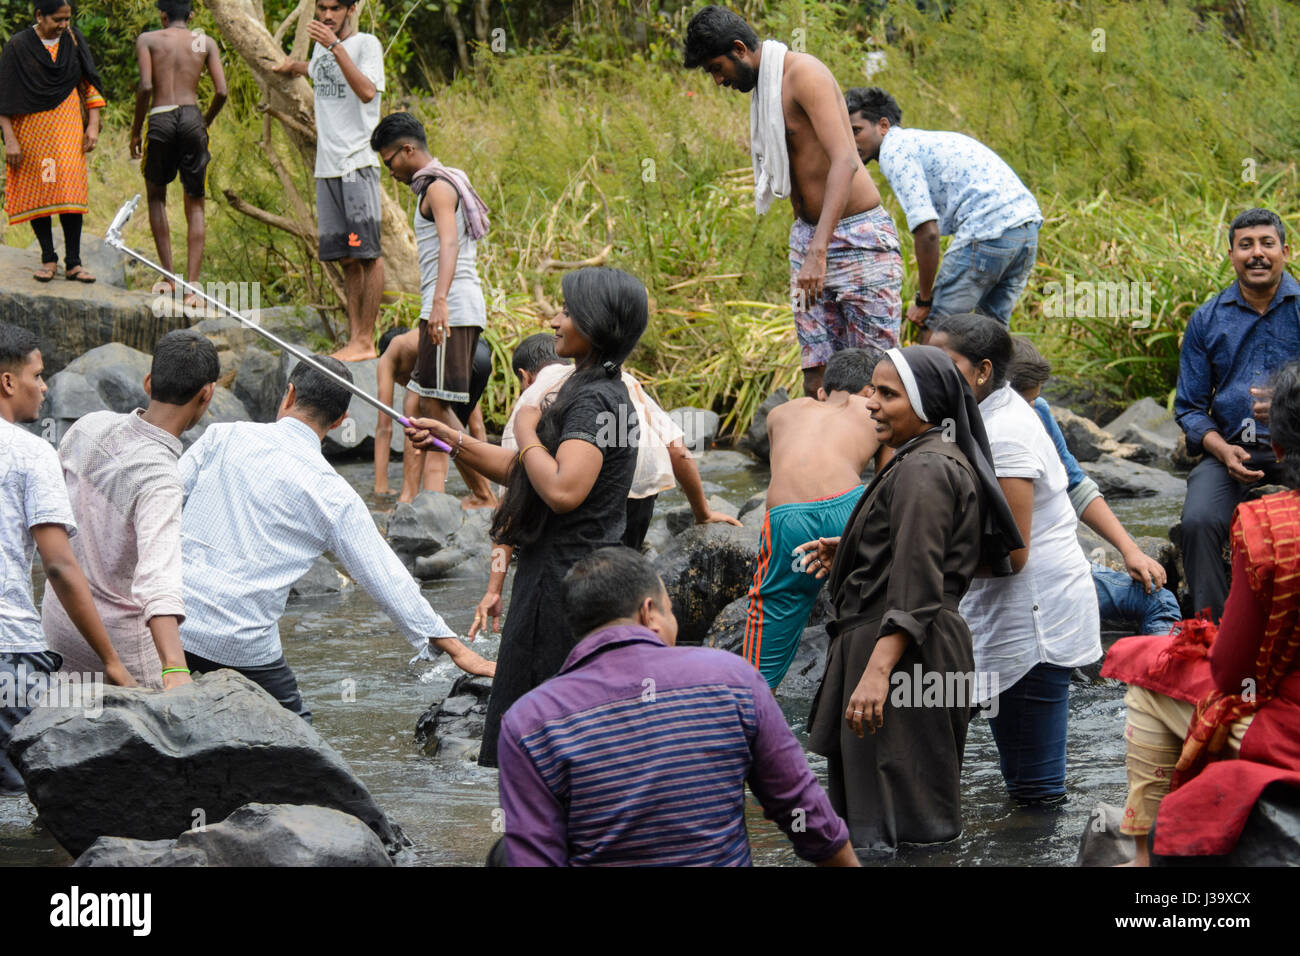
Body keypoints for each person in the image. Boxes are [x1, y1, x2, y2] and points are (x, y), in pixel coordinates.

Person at [406, 267, 648, 767]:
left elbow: (561, 489)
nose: (555, 321)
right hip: (574, 577)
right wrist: (454, 441)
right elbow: (527, 471)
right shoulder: (600, 388)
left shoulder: (595, 399)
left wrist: (525, 426)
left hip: (562, 585)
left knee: (542, 734)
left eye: (568, 312)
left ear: (597, 323)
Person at [177, 356, 494, 723]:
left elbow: (159, 500)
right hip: (242, 644)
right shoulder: (334, 494)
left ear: (289, 394)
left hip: (169, 622)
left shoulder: (222, 436)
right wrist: (455, 647)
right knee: (298, 737)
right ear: (341, 420)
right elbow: (384, 575)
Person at [496, 546, 858, 866]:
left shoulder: (529, 721)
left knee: (502, 853)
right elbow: (803, 813)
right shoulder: (733, 679)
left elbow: (533, 857)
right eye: (670, 610)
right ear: (649, 612)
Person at [795, 345, 1023, 854]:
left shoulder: (925, 468)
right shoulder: (928, 457)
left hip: (902, 656)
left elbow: (919, 581)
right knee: (901, 815)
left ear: (927, 404)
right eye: (872, 391)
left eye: (888, 394)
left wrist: (877, 673)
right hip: (910, 650)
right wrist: (858, 547)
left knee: (898, 832)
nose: (871, 403)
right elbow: (926, 551)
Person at [1102, 360, 1300, 865]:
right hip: (1221, 461)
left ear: (1278, 447)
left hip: (1290, 730)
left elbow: (1232, 673)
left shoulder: (1271, 526)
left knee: (1144, 667)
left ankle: (1143, 855)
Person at [927, 313, 1101, 805]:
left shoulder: (1005, 432)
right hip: (1008, 611)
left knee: (1036, 792)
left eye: (947, 364)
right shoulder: (979, 415)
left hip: (1032, 620)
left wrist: (916, 566)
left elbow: (1012, 552)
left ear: (983, 371)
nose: (933, 374)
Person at [684, 6, 902, 398]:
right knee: (817, 373)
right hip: (807, 239)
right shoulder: (766, 89)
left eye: (717, 68)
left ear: (739, 49)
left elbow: (846, 160)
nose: (718, 81)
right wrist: (811, 248)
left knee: (876, 378)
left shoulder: (804, 74)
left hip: (858, 240)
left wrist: (819, 251)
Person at [468, 331, 740, 641]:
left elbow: (509, 511)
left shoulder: (530, 401)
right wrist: (702, 513)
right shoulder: (617, 378)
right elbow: (678, 450)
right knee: (617, 586)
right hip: (638, 493)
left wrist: (493, 589)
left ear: (524, 376)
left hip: (580, 498)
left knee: (572, 592)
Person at [0, 324, 137, 792]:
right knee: (35, 795)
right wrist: (110, 660)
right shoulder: (31, 453)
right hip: (10, 653)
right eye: (37, 375)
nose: (44, 387)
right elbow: (58, 565)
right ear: (7, 381)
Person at [44, 329, 218, 690]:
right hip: (122, 656)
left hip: (59, 625)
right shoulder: (161, 479)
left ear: (148, 382)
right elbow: (158, 581)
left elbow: (49, 519)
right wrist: (174, 669)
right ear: (206, 394)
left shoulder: (87, 427)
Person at [1007, 336, 1180, 635]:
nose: (1031, 408)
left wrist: (1130, 550)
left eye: (1036, 399)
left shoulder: (1038, 411)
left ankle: (1152, 667)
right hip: (1020, 581)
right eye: (1026, 401)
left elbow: (1076, 485)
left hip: (1057, 568)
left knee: (1157, 598)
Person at [1175, 207, 1299, 621]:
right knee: (1198, 521)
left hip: (1297, 448)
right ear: (1231, 255)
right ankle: (1210, 633)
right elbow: (1190, 407)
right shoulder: (1207, 319)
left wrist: (1288, 405)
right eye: (1246, 245)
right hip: (1231, 450)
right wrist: (1222, 450)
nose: (1256, 253)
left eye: (1267, 243)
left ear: (1285, 251)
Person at [742, 348, 886, 690]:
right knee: (868, 601)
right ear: (870, 390)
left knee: (773, 606)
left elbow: (783, 468)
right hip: (849, 508)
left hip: (789, 516)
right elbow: (887, 479)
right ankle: (865, 688)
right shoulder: (873, 408)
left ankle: (752, 698)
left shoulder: (781, 412)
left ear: (822, 390)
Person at [845, 87, 1042, 334]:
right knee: (993, 334)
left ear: (883, 126)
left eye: (856, 131)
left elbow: (928, 232)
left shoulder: (895, 151)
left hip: (989, 229)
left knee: (939, 331)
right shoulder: (918, 141)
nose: (850, 141)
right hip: (1025, 230)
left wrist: (925, 300)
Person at [370, 112, 494, 492]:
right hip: (446, 308)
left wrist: (439, 302)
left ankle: (487, 494)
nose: (390, 171)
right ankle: (479, 492)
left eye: (389, 161)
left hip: (450, 307)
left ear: (408, 150)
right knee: (427, 405)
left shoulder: (438, 188)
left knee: (435, 407)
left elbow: (449, 243)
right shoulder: (438, 184)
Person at [273, 0, 384, 361]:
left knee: (367, 253)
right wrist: (292, 66)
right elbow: (316, 70)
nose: (327, 15)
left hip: (356, 165)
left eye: (335, 8)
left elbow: (367, 91)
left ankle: (366, 340)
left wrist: (335, 46)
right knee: (348, 257)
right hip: (328, 169)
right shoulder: (322, 51)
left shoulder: (365, 44)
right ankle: (355, 339)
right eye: (322, 7)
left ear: (351, 9)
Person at [130, 0, 228, 314]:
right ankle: (193, 288)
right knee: (195, 202)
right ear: (191, 15)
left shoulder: (148, 40)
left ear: (162, 15)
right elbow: (222, 91)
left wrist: (136, 131)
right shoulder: (205, 43)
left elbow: (146, 86)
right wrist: (204, 121)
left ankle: (169, 277)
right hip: (191, 117)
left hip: (160, 117)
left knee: (156, 197)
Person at [0, 1, 105, 283]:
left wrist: (92, 125)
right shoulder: (18, 46)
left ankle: (74, 263)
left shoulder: (72, 39)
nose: (63, 25)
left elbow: (90, 82)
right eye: (58, 19)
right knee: (43, 189)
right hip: (33, 133)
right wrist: (10, 139)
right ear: (39, 16)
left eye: (67, 19)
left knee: (71, 191)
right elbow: (4, 95)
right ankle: (48, 258)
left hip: (69, 130)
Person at [373, 326, 495, 507]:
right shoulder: (418, 346)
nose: (404, 384)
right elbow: (477, 426)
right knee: (446, 438)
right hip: (479, 352)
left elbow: (384, 428)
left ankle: (413, 499)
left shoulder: (390, 355)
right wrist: (489, 475)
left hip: (452, 351)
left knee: (418, 420)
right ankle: (483, 495)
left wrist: (380, 490)